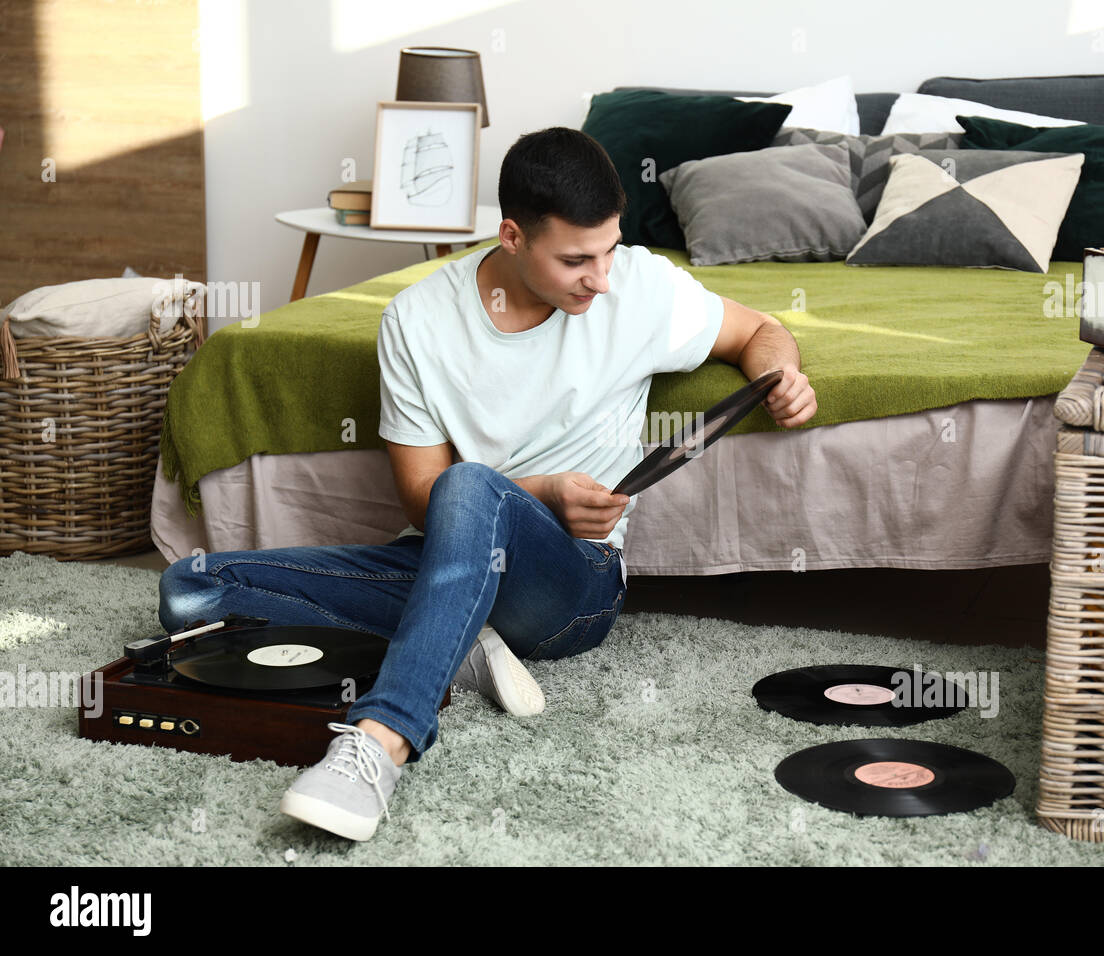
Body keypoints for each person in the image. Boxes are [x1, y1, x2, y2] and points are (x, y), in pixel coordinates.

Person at [157, 126, 817, 841]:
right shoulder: (418, 320)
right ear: (510, 236)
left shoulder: (639, 286)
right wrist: (545, 488)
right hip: (453, 552)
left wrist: (783, 379)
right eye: (575, 260)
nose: (600, 277)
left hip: (574, 584)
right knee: (190, 589)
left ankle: (380, 742)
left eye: (608, 249)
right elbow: (424, 496)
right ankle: (463, 643)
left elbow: (760, 332)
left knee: (472, 486)